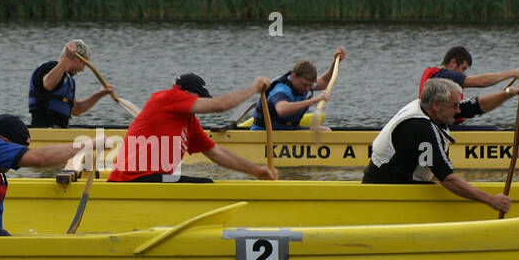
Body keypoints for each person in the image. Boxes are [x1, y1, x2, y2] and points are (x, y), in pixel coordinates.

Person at [362, 77, 519, 213]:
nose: (459, 111)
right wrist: (491, 200)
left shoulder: (432, 108)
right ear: (436, 105)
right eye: (455, 106)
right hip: (386, 194)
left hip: (400, 187)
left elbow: (477, 106)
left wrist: (510, 93)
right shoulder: (420, 128)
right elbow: (448, 179)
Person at [108, 73, 278, 183]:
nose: (201, 103)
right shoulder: (168, 97)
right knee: (205, 186)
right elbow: (220, 105)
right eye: (200, 98)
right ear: (186, 93)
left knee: (204, 183)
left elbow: (217, 153)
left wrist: (255, 170)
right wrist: (253, 89)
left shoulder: (190, 122)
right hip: (131, 178)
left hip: (153, 179)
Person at [418, 46, 519, 127]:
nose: (463, 73)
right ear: (453, 62)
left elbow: (476, 104)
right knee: (491, 130)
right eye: (463, 68)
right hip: (441, 125)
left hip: (444, 122)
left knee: (477, 110)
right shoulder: (442, 75)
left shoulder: (436, 77)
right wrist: (513, 73)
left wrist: (510, 92)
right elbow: (481, 82)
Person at [250, 47, 345, 130]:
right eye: (304, 85)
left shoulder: (303, 84)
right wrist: (317, 99)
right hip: (265, 134)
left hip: (286, 131)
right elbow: (282, 110)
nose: (308, 88)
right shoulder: (281, 90)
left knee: (325, 131)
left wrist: (336, 62)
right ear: (293, 76)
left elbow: (324, 82)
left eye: (310, 85)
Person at [28, 40, 113, 128]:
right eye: (84, 64)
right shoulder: (49, 67)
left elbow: (76, 109)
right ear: (77, 59)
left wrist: (100, 94)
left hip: (60, 129)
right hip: (44, 129)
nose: (83, 70)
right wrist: (67, 58)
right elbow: (48, 84)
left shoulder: (69, 80)